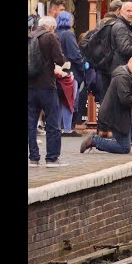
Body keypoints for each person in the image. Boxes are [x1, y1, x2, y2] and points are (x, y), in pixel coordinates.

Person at [79, 54, 132, 155]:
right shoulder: (123, 77)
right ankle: (95, 141)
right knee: (124, 149)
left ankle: (123, 141)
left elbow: (125, 96)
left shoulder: (128, 73)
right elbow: (125, 99)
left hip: (118, 112)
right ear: (130, 61)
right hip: (114, 116)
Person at [29, 15, 68, 168]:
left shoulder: (29, 36)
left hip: (30, 86)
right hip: (47, 85)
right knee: (52, 122)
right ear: (51, 27)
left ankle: (33, 157)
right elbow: (59, 60)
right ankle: (52, 158)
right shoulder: (50, 37)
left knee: (31, 123)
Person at [56, 11, 82, 137]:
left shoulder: (55, 34)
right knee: (69, 100)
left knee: (58, 101)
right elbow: (75, 55)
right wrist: (82, 67)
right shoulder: (68, 34)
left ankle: (58, 127)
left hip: (57, 71)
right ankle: (67, 128)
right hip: (69, 72)